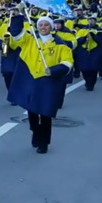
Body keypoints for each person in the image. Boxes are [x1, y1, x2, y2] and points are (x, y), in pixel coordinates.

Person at [8, 12, 73, 154]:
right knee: (32, 110)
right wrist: (18, 16)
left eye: (46, 25)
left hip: (48, 81)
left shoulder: (60, 44)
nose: (43, 27)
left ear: (51, 27)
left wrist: (55, 70)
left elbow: (68, 63)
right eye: (41, 25)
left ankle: (44, 143)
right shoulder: (30, 40)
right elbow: (16, 33)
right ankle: (35, 132)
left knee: (45, 113)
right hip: (31, 79)